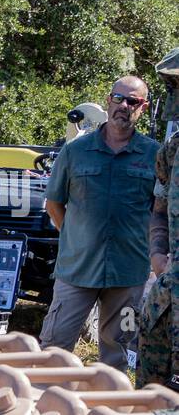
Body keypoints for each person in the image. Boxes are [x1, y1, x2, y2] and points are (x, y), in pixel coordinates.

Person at [38, 76, 159, 370]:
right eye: (119, 98)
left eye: (133, 101)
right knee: (54, 345)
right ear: (108, 100)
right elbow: (54, 203)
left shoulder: (155, 155)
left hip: (129, 273)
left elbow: (160, 211)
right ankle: (46, 408)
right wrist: (75, 236)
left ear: (143, 108)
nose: (124, 106)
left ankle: (108, 410)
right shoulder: (76, 151)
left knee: (117, 349)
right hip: (77, 268)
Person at [138, 128, 178, 387]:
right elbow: (159, 210)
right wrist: (157, 253)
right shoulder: (172, 149)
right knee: (153, 397)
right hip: (166, 295)